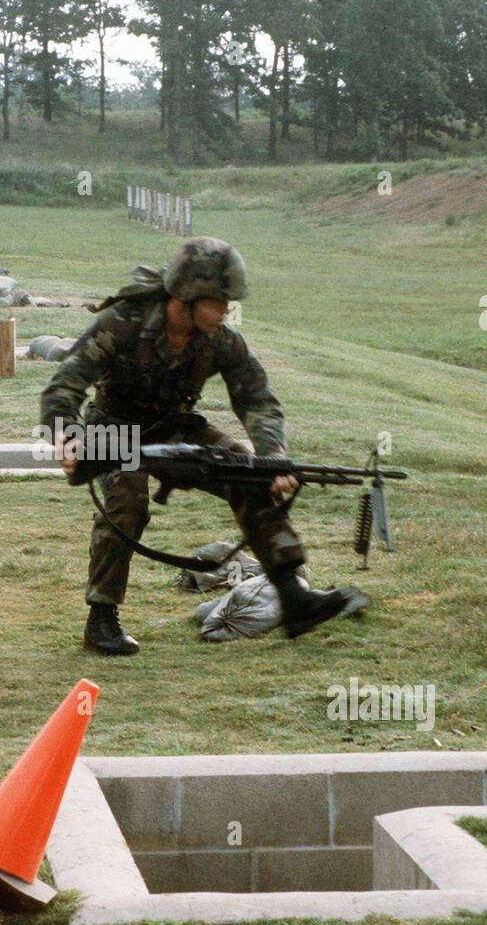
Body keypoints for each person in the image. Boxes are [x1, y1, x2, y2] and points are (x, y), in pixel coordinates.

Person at [41, 238, 369, 655]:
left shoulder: (220, 340)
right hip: (114, 427)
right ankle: (101, 619)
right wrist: (67, 435)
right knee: (127, 499)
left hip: (176, 428)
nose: (227, 310)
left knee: (250, 476)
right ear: (187, 297)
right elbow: (64, 386)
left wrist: (272, 459)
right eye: (219, 301)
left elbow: (257, 399)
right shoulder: (122, 324)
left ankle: (293, 596)